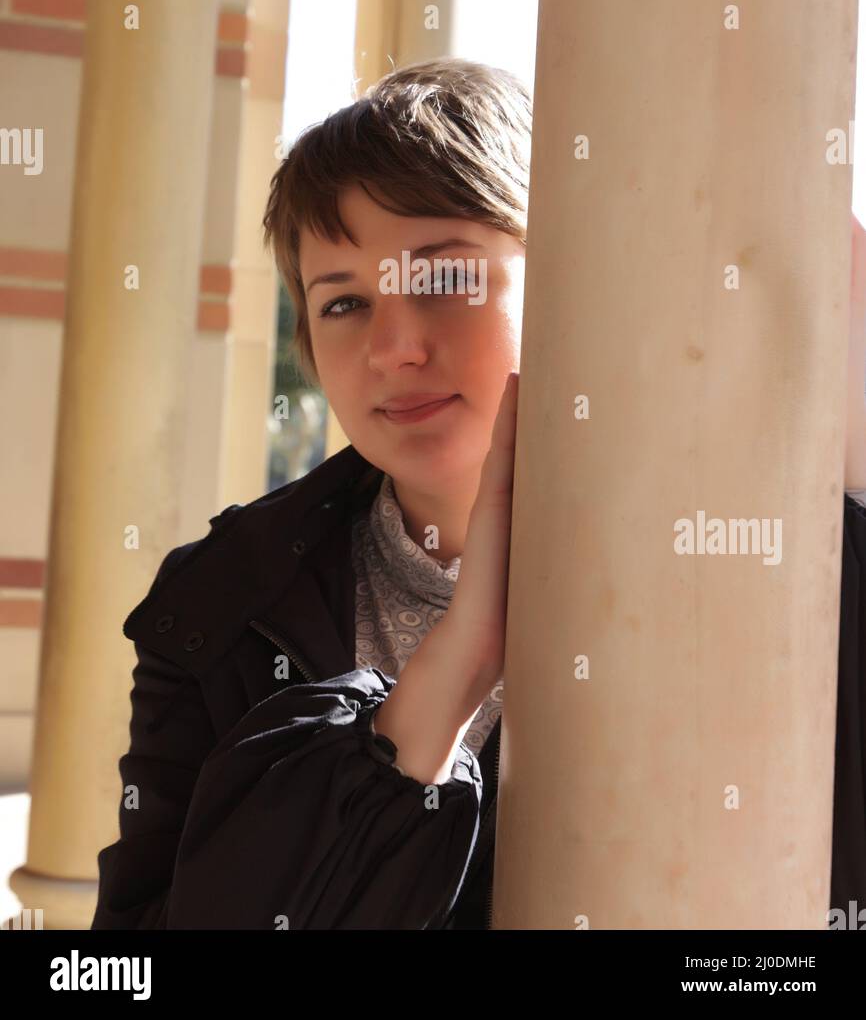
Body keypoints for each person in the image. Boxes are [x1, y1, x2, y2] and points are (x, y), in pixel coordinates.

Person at [90, 57, 866, 929]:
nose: (394, 348)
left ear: (574, 284)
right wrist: (436, 697)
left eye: (445, 278)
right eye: (342, 304)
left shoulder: (765, 561)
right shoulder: (221, 603)